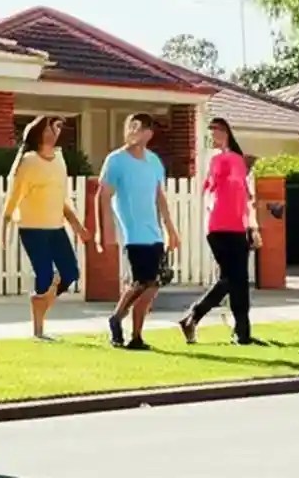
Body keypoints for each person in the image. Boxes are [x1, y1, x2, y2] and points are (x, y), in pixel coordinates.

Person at [2, 115, 90, 340]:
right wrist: (4, 227)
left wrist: (77, 226)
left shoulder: (59, 159)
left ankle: (40, 303)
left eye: (57, 128)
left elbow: (62, 198)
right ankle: (38, 330)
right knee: (44, 275)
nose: (54, 133)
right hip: (32, 227)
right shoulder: (29, 162)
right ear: (38, 133)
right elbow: (14, 196)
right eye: (49, 129)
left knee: (70, 273)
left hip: (55, 227)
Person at [98, 113, 181, 350]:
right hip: (133, 234)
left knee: (152, 286)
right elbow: (103, 196)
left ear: (149, 133)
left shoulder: (154, 161)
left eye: (140, 128)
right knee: (142, 281)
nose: (134, 132)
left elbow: (160, 197)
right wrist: (104, 231)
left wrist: (171, 229)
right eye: (131, 127)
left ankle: (136, 336)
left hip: (154, 233)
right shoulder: (116, 160)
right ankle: (116, 318)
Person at [178, 117, 262, 345]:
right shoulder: (220, 161)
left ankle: (241, 332)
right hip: (221, 227)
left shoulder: (234, 161)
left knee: (236, 280)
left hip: (232, 227)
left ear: (225, 132)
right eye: (210, 132)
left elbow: (246, 200)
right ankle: (197, 316)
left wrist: (253, 227)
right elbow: (214, 188)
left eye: (215, 131)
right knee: (234, 278)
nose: (212, 136)